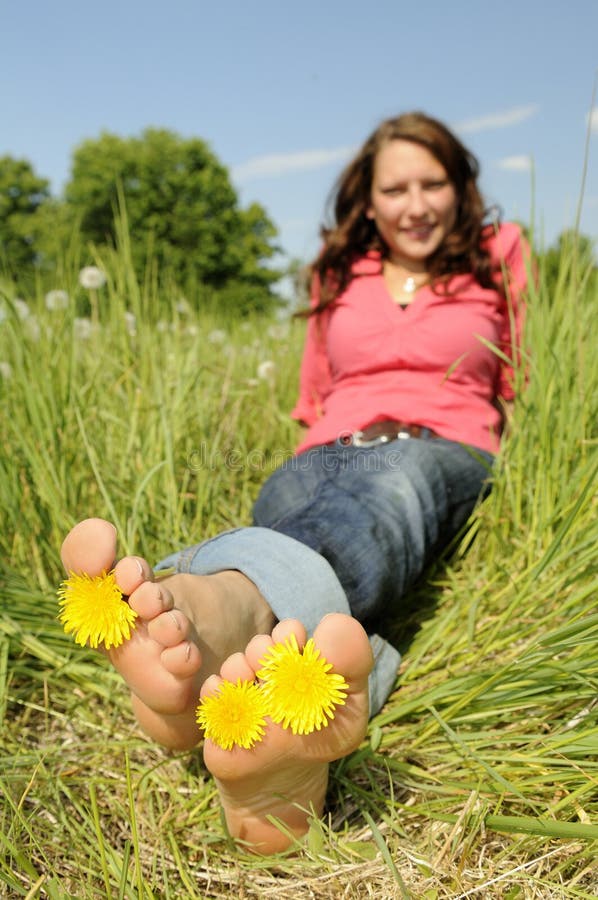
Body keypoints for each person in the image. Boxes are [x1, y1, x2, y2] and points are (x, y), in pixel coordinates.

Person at [60, 111, 527, 854]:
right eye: (395, 188)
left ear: (461, 186)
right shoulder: (338, 269)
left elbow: (525, 375)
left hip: (438, 447)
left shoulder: (498, 256)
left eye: (432, 183)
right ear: (367, 201)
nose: (416, 204)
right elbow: (313, 392)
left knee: (389, 494)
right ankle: (289, 706)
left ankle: (233, 602)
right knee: (302, 502)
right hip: (326, 450)